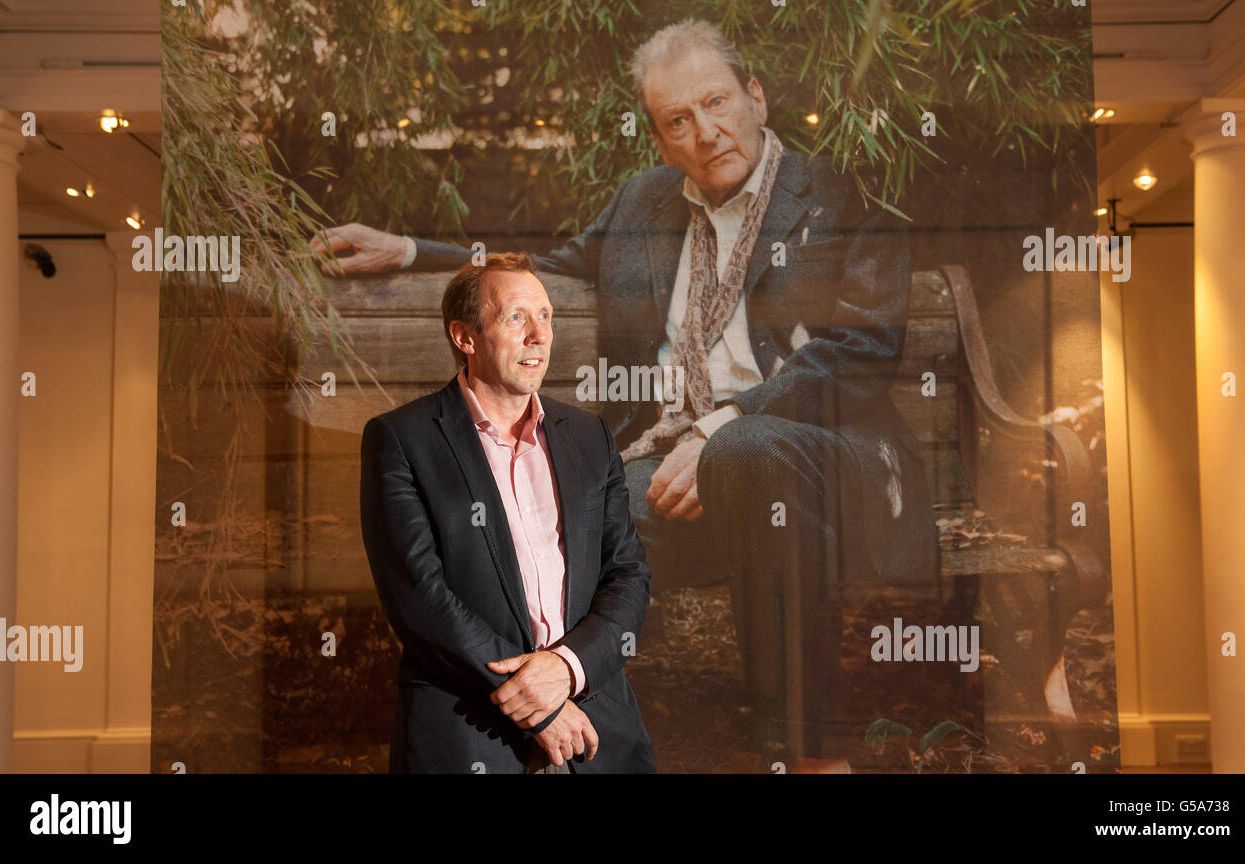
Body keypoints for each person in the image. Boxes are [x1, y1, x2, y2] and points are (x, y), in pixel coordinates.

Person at [333, 20, 939, 757]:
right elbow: (547, 265)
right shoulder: (644, 205)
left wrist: (721, 426)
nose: (706, 131)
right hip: (678, 467)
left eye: (717, 102)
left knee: (744, 449)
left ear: (756, 96)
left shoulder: (843, 194)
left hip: (824, 464)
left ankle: (808, 747)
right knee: (566, 525)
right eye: (678, 120)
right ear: (658, 140)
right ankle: (547, 729)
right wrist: (410, 250)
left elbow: (863, 349)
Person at [359, 252, 655, 773]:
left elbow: (627, 574)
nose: (539, 334)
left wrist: (567, 668)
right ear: (465, 337)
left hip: (598, 727)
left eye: (546, 317)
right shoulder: (401, 440)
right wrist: (537, 706)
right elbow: (419, 598)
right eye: (517, 317)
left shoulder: (591, 437)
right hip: (471, 729)